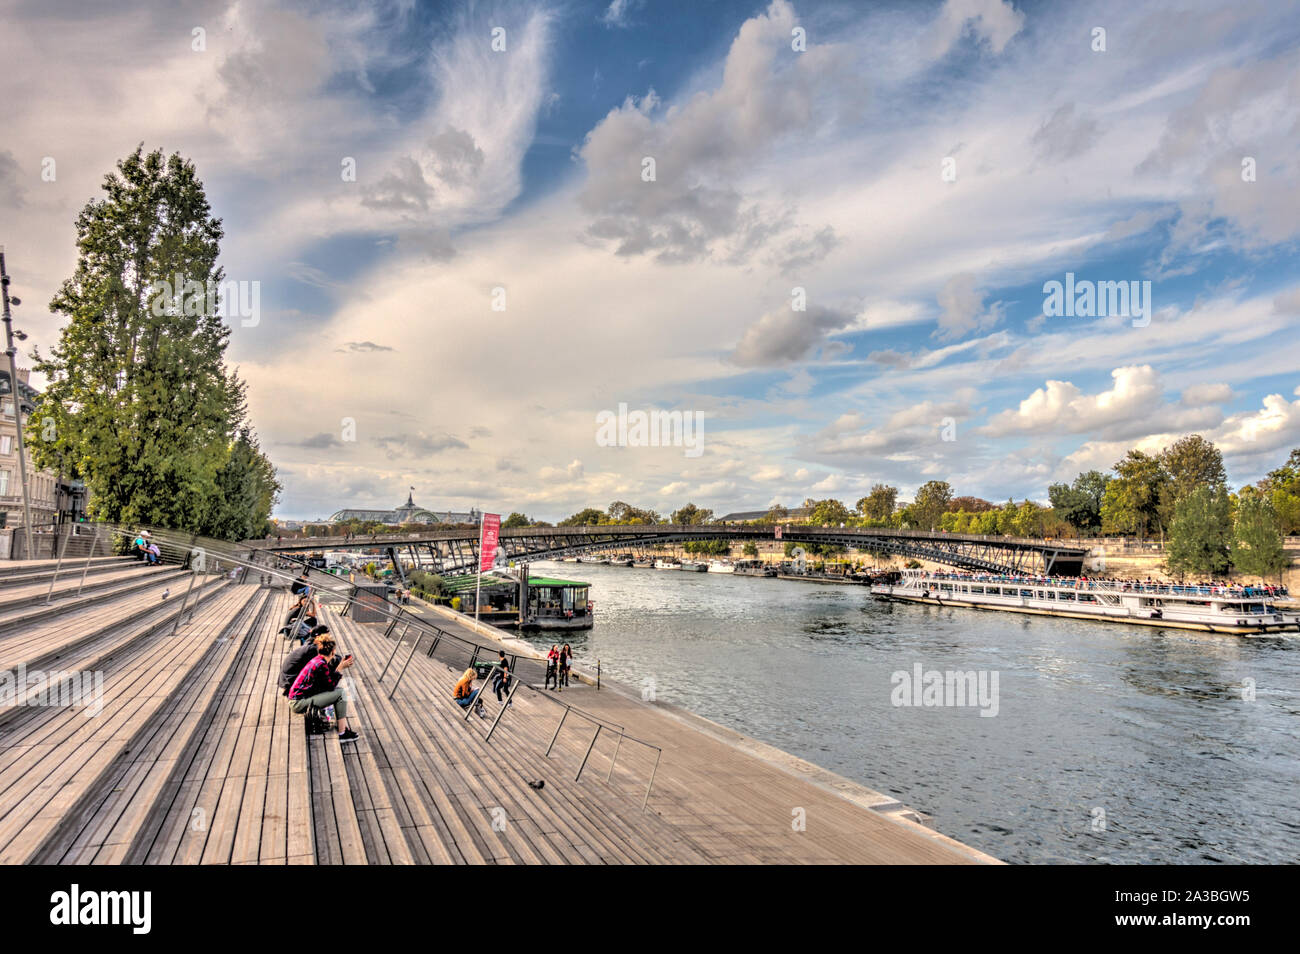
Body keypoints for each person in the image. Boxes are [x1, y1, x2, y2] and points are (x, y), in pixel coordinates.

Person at [288, 633, 358, 742]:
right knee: (341, 693)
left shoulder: (317, 660)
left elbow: (327, 684)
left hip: (297, 699)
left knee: (338, 691)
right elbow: (330, 687)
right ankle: (342, 733)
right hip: (298, 703)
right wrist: (340, 668)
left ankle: (342, 727)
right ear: (333, 651)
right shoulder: (321, 664)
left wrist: (338, 667)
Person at [279, 625, 333, 696]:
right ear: (318, 637)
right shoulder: (313, 649)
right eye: (327, 635)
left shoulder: (310, 642)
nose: (330, 637)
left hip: (285, 680)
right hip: (289, 682)